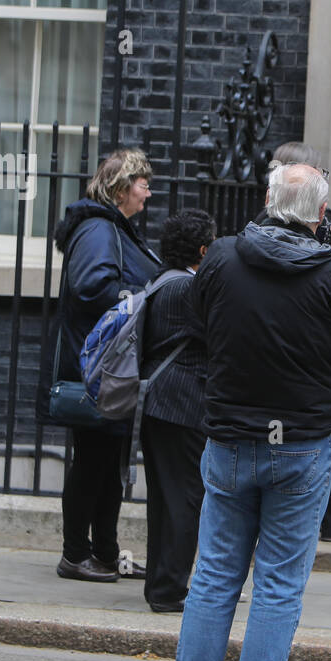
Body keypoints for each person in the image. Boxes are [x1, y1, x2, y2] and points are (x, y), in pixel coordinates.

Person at [164, 163, 331, 661]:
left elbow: (197, 317)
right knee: (278, 582)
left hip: (228, 440)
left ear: (268, 200)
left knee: (215, 574)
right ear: (322, 215)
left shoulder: (220, 256)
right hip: (301, 444)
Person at [36, 148, 161, 583]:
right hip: (94, 369)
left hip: (111, 367)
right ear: (123, 188)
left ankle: (105, 553)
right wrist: (146, 296)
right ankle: (74, 554)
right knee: (92, 459)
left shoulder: (114, 228)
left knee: (109, 461)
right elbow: (92, 286)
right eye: (143, 183)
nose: (149, 192)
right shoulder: (97, 229)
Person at [255, 142, 331, 542]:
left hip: (270, 354)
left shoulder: (250, 235)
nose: (324, 180)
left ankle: (295, 518)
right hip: (326, 354)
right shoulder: (326, 228)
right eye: (321, 175)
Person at [138, 209, 216, 613]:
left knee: (164, 498)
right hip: (183, 404)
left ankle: (159, 584)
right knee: (186, 497)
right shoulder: (188, 289)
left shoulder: (159, 282)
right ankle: (170, 590)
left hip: (155, 401)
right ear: (203, 249)